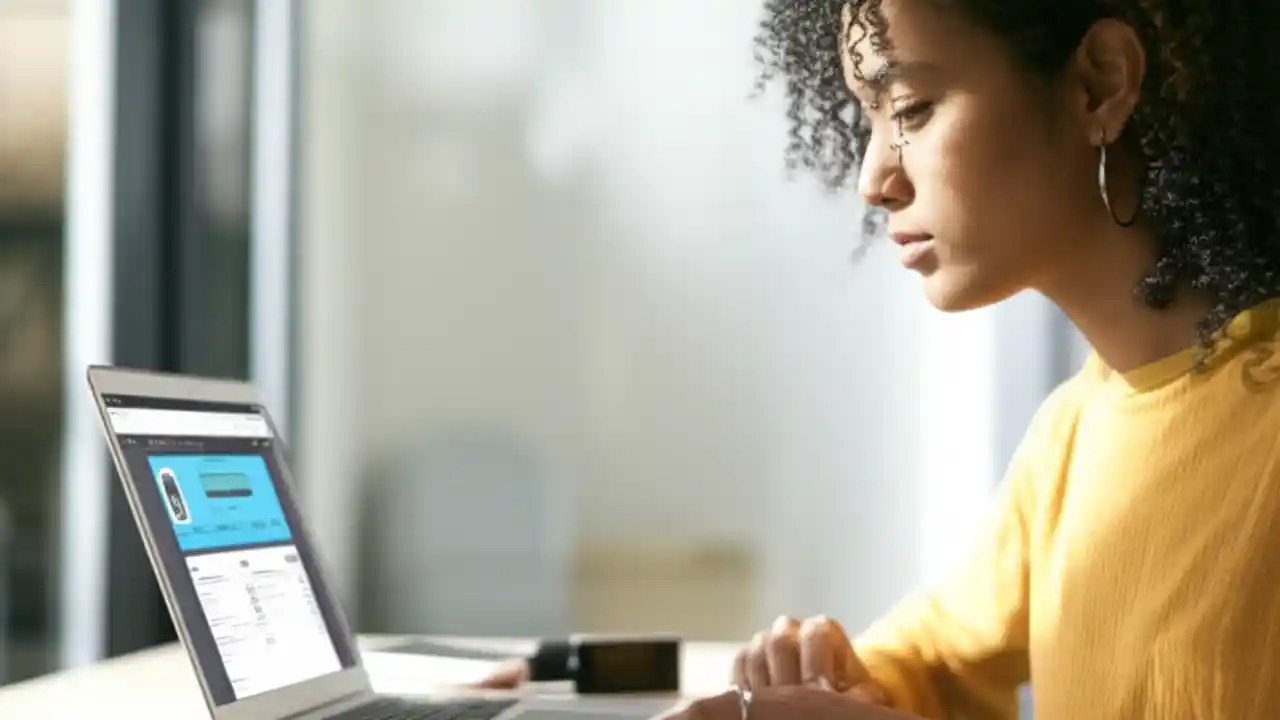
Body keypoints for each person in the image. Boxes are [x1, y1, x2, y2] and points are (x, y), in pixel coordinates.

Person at [483, 1, 1280, 718]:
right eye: (868, 117)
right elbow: (930, 655)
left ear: (1100, 85)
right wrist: (826, 677)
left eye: (912, 109)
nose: (874, 180)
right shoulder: (1077, 430)